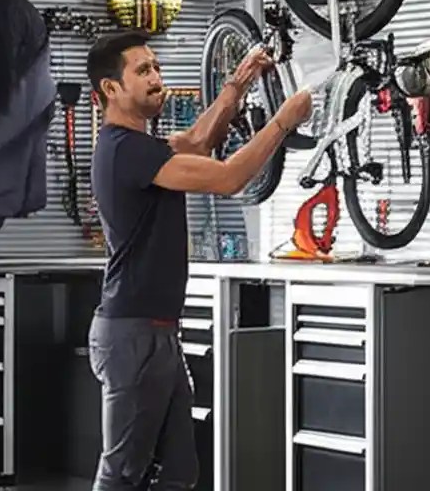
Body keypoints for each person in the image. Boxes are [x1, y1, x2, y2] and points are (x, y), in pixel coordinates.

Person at [84, 29, 311, 490]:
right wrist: (283, 123)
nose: (156, 78)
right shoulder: (124, 152)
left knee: (178, 473)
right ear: (111, 89)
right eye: (142, 70)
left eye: (157, 67)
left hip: (156, 333)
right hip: (133, 335)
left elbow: (199, 139)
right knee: (123, 473)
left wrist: (241, 80)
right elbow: (228, 178)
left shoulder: (140, 148)